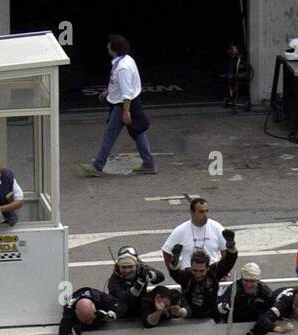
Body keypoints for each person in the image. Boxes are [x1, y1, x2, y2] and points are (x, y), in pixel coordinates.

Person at [80, 34, 156, 177]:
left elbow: (126, 92)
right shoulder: (125, 61)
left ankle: (97, 166)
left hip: (123, 105)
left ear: (114, 48)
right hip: (127, 103)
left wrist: (125, 112)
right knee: (138, 132)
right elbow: (120, 84)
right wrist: (109, 91)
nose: (107, 46)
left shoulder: (123, 68)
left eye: (109, 45)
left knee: (109, 135)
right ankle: (148, 164)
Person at [166, 234, 239, 320]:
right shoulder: (187, 276)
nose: (197, 274)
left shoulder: (213, 273)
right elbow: (175, 273)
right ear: (191, 267)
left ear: (207, 268)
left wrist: (231, 248)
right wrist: (175, 262)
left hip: (212, 314)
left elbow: (228, 263)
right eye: (194, 270)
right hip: (190, 315)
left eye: (201, 271)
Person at [161, 198, 227, 270]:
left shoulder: (217, 228)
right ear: (192, 212)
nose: (205, 215)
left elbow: (225, 250)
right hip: (189, 274)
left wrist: (224, 271)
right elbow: (166, 250)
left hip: (212, 272)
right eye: (201, 212)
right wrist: (172, 270)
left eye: (206, 211)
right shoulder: (181, 230)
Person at [105, 248, 164, 319]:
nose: (127, 271)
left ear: (136, 265)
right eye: (123, 267)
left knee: (161, 290)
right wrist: (138, 285)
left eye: (130, 267)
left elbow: (161, 277)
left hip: (142, 303)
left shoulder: (142, 270)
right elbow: (127, 300)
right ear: (118, 267)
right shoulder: (113, 281)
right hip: (124, 310)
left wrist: (151, 275)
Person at [55, 288, 124, 335]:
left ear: (94, 307)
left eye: (91, 319)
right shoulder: (69, 313)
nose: (89, 323)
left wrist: (110, 314)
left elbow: (122, 305)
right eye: (85, 320)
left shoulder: (100, 298)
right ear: (76, 313)